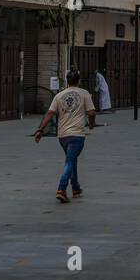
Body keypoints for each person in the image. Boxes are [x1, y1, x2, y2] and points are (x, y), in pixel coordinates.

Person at [33, 70, 96, 203]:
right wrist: (91, 124)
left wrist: (40, 130)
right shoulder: (84, 94)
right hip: (77, 134)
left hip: (62, 136)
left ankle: (75, 188)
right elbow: (91, 112)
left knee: (72, 159)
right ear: (79, 81)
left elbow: (49, 114)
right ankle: (61, 189)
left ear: (67, 81)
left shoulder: (59, 96)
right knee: (69, 161)